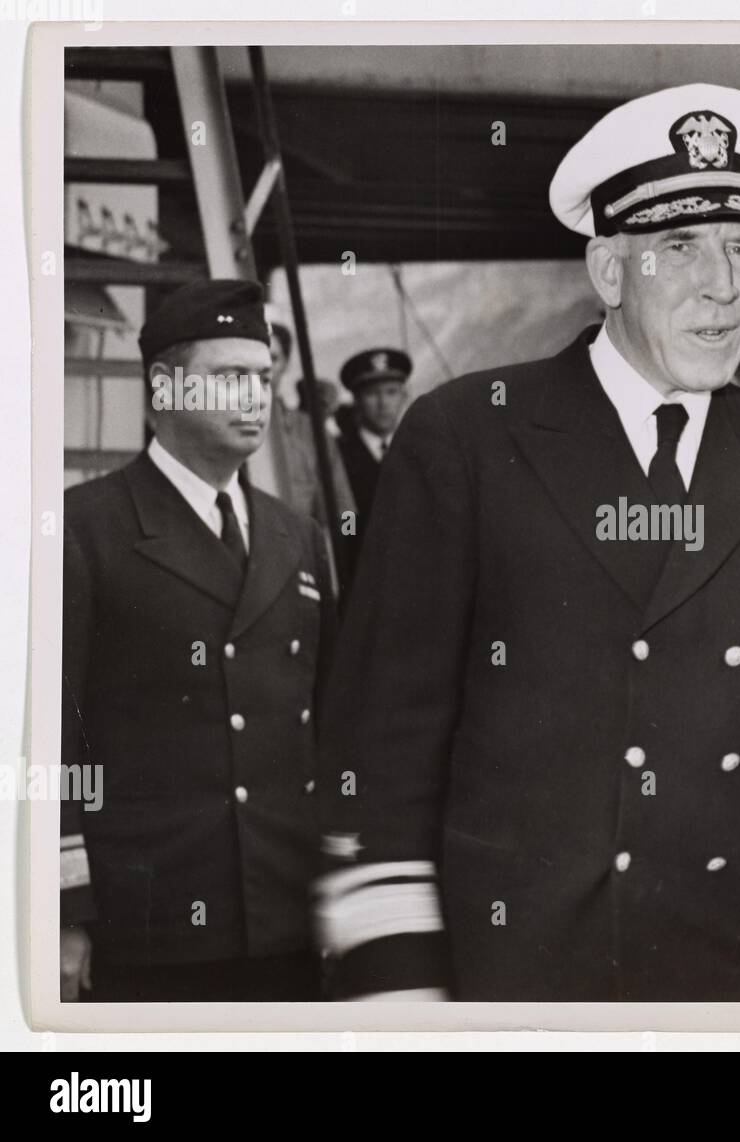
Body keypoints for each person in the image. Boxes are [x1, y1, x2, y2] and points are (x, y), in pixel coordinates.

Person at [314, 84, 740, 1002]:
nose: (723, 287)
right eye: (680, 248)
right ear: (609, 271)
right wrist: (394, 981)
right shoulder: (469, 437)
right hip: (512, 966)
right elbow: (379, 734)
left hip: (719, 966)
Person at [59, 279, 336, 1002]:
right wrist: (65, 912)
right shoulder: (85, 530)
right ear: (164, 387)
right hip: (148, 924)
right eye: (229, 377)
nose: (254, 398)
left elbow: (329, 724)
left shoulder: (297, 538)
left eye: (264, 378)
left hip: (286, 914)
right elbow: (53, 741)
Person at [263, 306, 357, 584]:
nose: (263, 369)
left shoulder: (312, 434)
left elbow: (344, 512)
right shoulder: (216, 428)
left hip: (298, 568)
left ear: (286, 363)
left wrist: (346, 552)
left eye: (273, 358)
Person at [335, 347, 411, 537]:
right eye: (371, 394)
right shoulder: (338, 458)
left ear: (404, 397)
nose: (383, 403)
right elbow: (346, 526)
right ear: (357, 400)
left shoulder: (422, 449)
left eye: (391, 392)